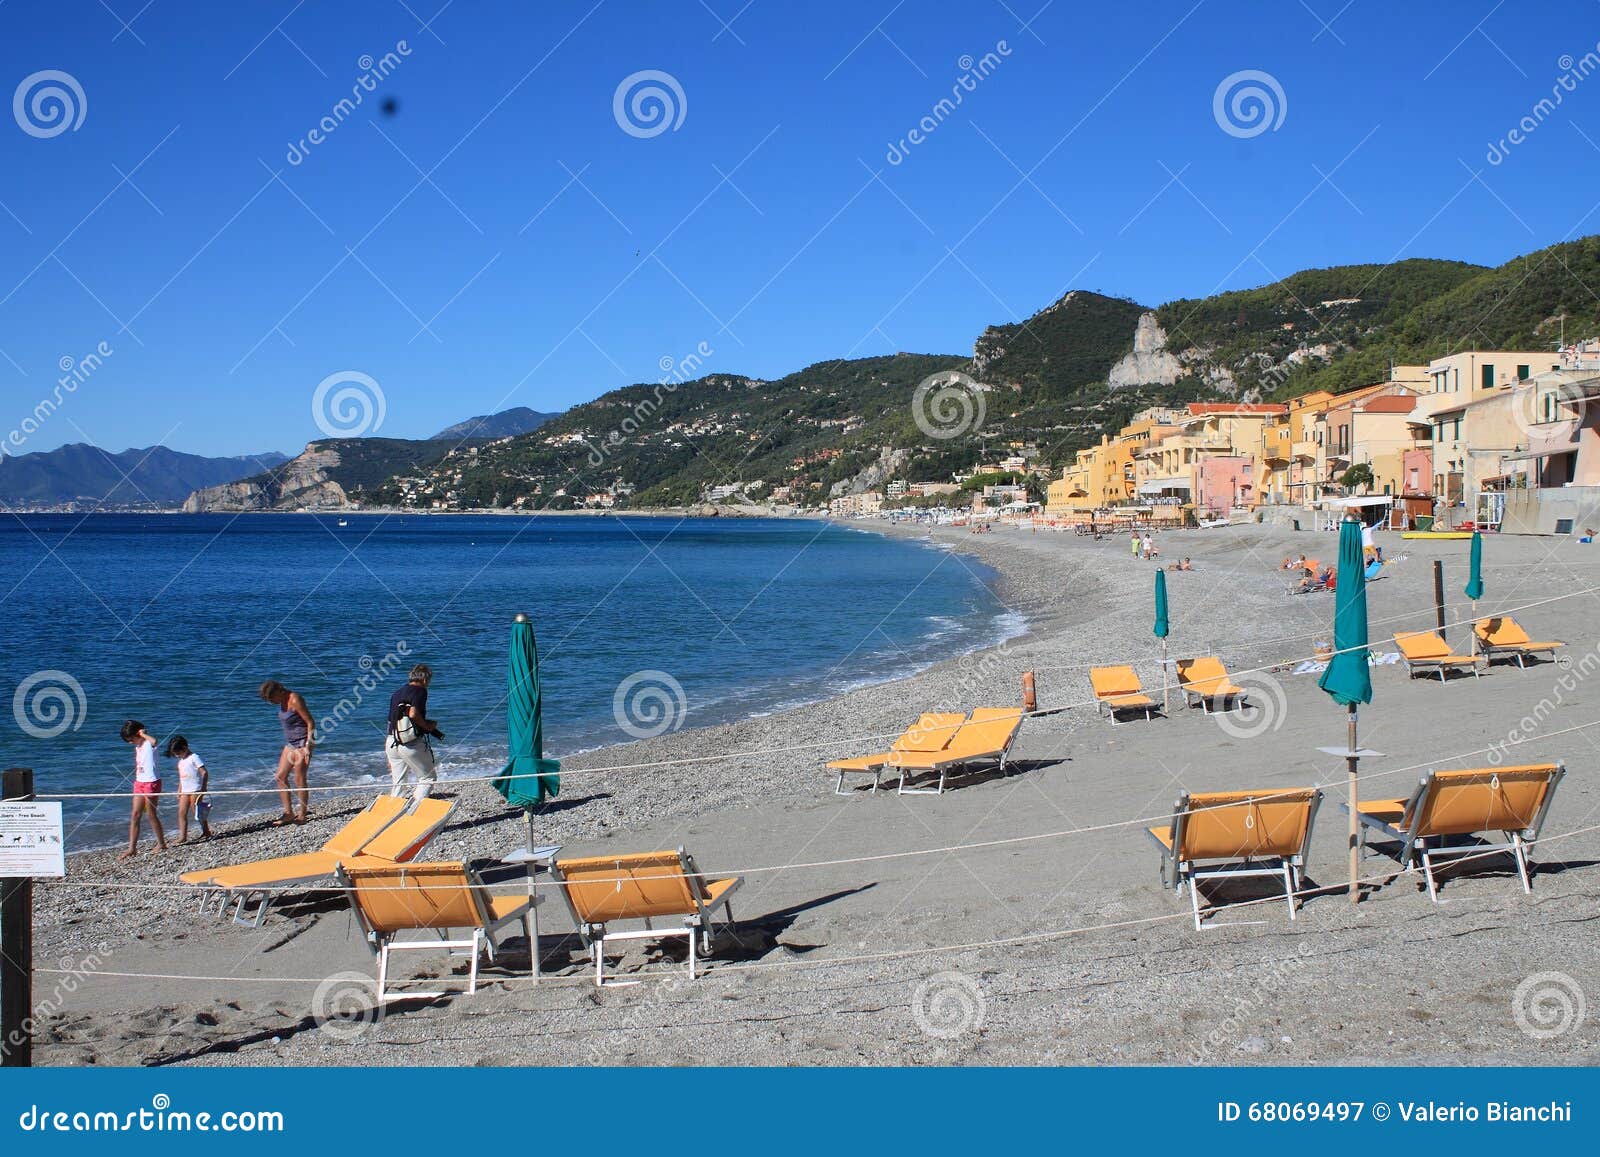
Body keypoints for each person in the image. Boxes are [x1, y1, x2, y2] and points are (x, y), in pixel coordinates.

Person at [259, 679, 314, 825]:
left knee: (299, 779)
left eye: (272, 699)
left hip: (302, 743)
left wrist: (308, 746)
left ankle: (302, 815)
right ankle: (289, 813)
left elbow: (310, 722)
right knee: (280, 777)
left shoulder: (295, 699)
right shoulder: (282, 701)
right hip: (290, 744)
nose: (271, 702)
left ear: (279, 691)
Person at [386, 663, 443, 803]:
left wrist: (387, 752)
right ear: (424, 679)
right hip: (410, 743)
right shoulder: (420, 691)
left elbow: (390, 722)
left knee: (398, 783)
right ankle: (414, 809)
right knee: (427, 778)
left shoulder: (397, 693)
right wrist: (427, 726)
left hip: (392, 742)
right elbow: (413, 713)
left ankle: (393, 812)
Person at [118, 720, 167, 859]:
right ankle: (132, 848)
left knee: (151, 814)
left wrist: (143, 734)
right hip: (139, 782)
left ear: (138, 733)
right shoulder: (137, 746)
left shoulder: (148, 744)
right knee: (135, 814)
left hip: (152, 782)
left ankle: (161, 843)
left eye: (131, 739)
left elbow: (154, 741)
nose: (130, 742)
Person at [164, 735, 211, 843]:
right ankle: (182, 836)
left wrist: (204, 787)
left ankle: (206, 831)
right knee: (181, 812)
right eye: (175, 754)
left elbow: (204, 772)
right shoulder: (181, 761)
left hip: (196, 789)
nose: (177, 756)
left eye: (178, 753)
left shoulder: (194, 757)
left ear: (185, 748)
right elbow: (181, 777)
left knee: (197, 812)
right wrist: (179, 790)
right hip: (185, 790)